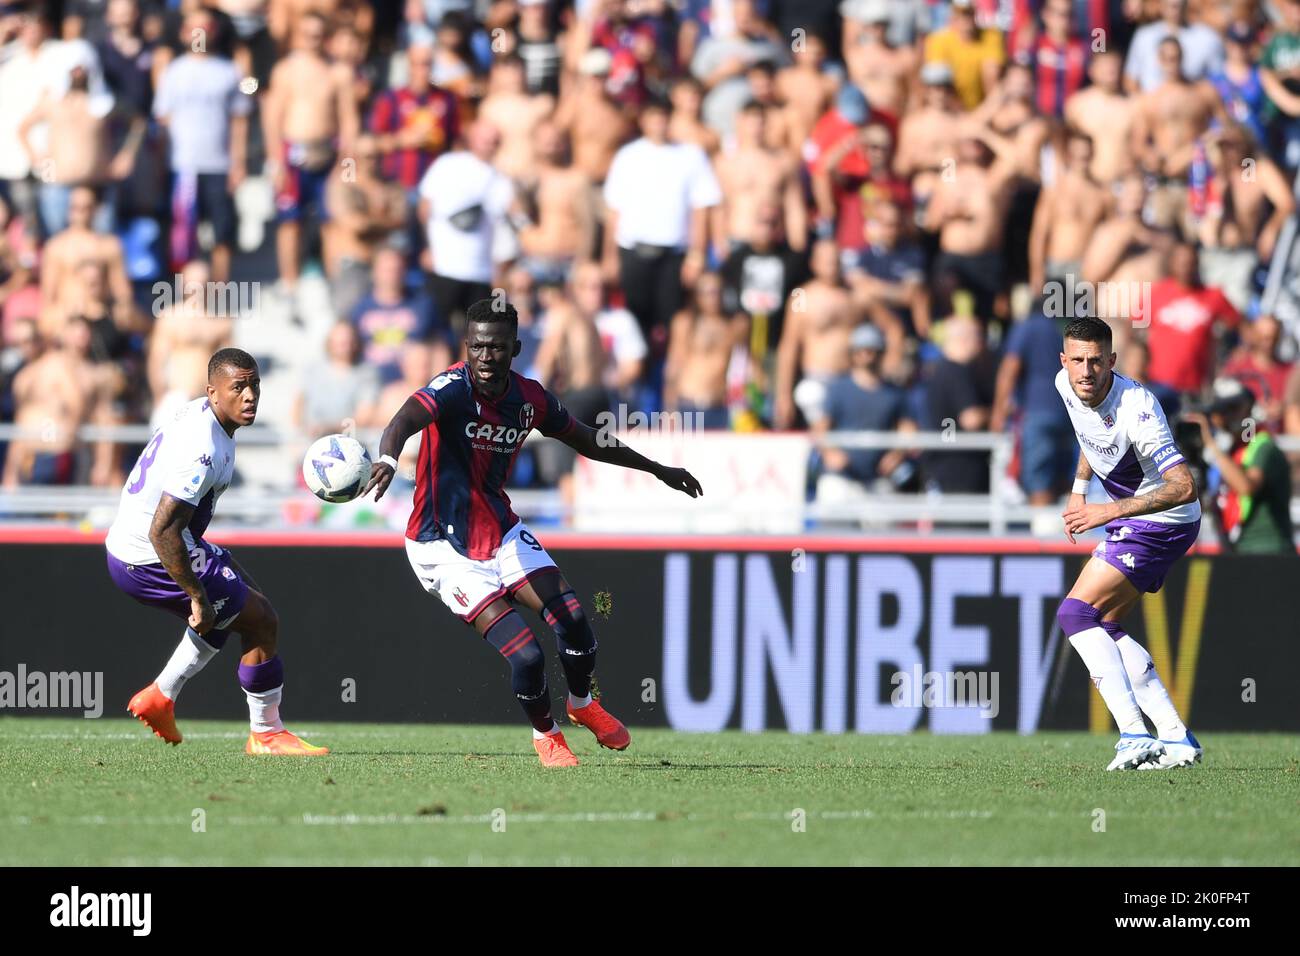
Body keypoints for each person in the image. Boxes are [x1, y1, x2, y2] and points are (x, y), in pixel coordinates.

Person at [363, 299, 702, 767]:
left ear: (515, 348)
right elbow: (404, 419)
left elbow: (588, 439)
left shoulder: (529, 399)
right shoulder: (451, 389)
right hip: (441, 545)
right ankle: (547, 735)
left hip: (500, 531)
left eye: (497, 347)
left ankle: (581, 704)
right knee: (526, 658)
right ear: (467, 347)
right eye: (477, 346)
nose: (485, 356)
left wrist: (658, 468)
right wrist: (385, 456)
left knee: (577, 625)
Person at [104, 348, 328, 755]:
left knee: (241, 598)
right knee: (260, 621)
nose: (249, 396)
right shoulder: (202, 449)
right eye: (238, 387)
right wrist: (196, 595)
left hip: (149, 542)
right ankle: (267, 734)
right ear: (212, 392)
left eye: (254, 385)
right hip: (148, 554)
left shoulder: (206, 420)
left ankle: (162, 696)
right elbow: (163, 530)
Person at [1056, 316, 1203, 771]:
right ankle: (1177, 739)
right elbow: (1089, 434)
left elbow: (1185, 487)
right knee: (1107, 626)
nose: (1085, 371)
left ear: (1112, 361)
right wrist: (1081, 489)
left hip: (1165, 520)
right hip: (1135, 519)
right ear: (1064, 360)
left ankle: (1134, 734)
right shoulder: (1066, 384)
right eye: (1077, 360)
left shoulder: (1138, 408)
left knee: (1075, 614)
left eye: (1096, 361)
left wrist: (1105, 511)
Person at [152, 7, 250, 281]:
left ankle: (218, 295)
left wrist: (238, 162)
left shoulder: (231, 70)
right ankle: (187, 298)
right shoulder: (172, 71)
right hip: (182, 165)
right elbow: (163, 119)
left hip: (218, 165)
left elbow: (241, 118)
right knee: (184, 236)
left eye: (204, 28)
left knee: (222, 234)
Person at [418, 120, 515, 335]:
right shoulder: (448, 164)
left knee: (477, 338)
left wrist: (498, 269)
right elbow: (425, 207)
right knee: (434, 333)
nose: (489, 145)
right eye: (485, 139)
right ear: (472, 138)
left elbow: (506, 226)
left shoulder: (502, 181)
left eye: (495, 141)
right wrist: (428, 247)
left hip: (480, 272)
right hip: (445, 265)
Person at [1186, 377, 1294, 554]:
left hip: (1270, 551)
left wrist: (1211, 446)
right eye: (1221, 410)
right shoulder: (1230, 450)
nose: (1227, 416)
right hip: (1240, 549)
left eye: (1233, 408)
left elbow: (1246, 486)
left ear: (1251, 408)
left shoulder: (1264, 445)